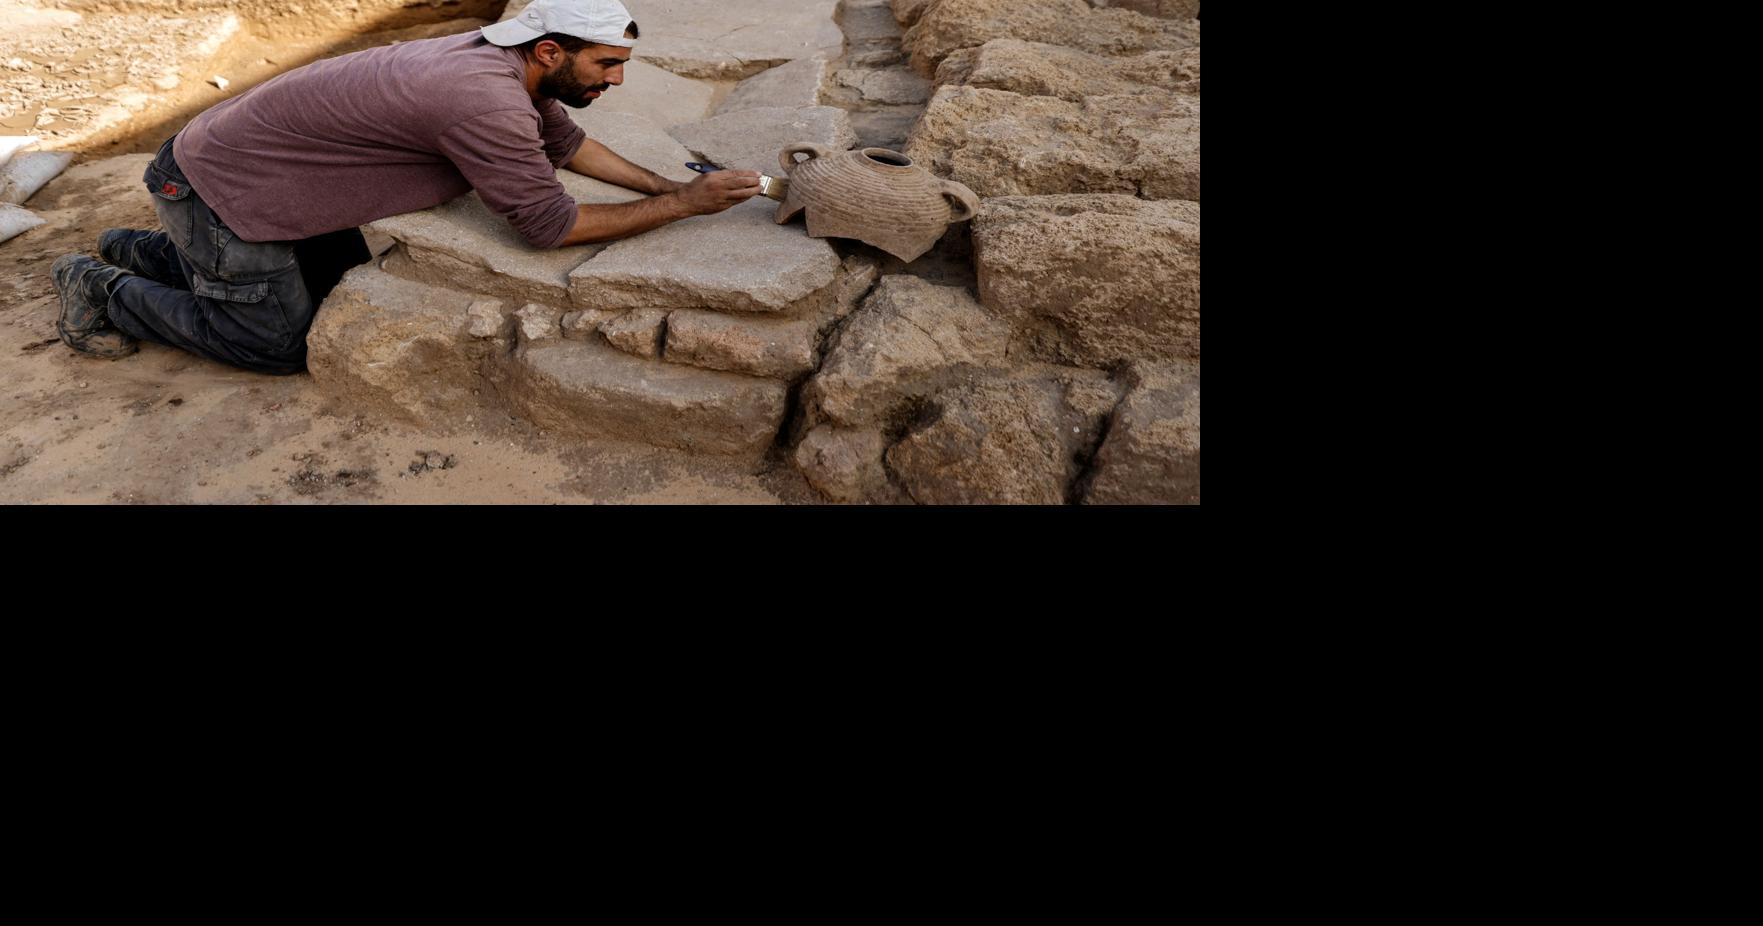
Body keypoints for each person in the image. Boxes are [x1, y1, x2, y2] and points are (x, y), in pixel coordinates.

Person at [49, 0, 762, 374]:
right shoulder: (480, 98)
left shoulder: (503, 62)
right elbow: (547, 227)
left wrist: (668, 182)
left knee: (332, 279)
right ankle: (99, 285)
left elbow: (566, 144)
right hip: (217, 190)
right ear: (550, 51)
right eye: (607, 64)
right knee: (274, 346)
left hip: (251, 174)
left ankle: (143, 250)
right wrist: (681, 206)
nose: (616, 80)